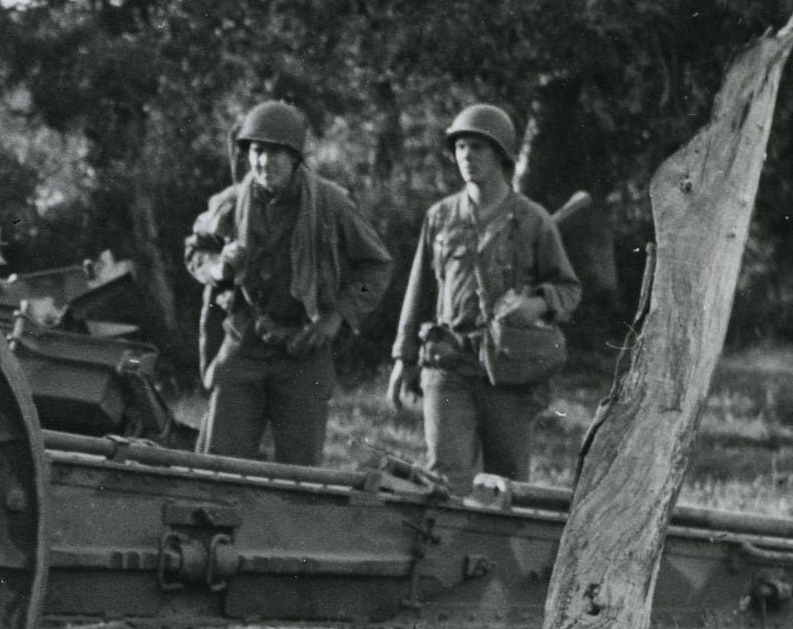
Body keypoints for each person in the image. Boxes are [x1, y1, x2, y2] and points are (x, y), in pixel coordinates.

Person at [181, 101, 392, 465]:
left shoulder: (330, 204)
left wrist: (339, 314)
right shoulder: (230, 204)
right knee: (216, 465)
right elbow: (196, 250)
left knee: (300, 473)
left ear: (295, 157)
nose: (265, 162)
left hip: (304, 350)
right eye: (257, 152)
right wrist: (218, 268)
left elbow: (374, 267)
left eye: (276, 152)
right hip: (244, 342)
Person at [389, 100, 582, 484]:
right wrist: (403, 358)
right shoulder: (441, 217)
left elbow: (568, 288)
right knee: (445, 478)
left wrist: (537, 303)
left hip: (507, 368)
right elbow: (419, 292)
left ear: (501, 154)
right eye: (460, 147)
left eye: (477, 147)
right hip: (447, 363)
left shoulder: (532, 220)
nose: (466, 156)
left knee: (505, 482)